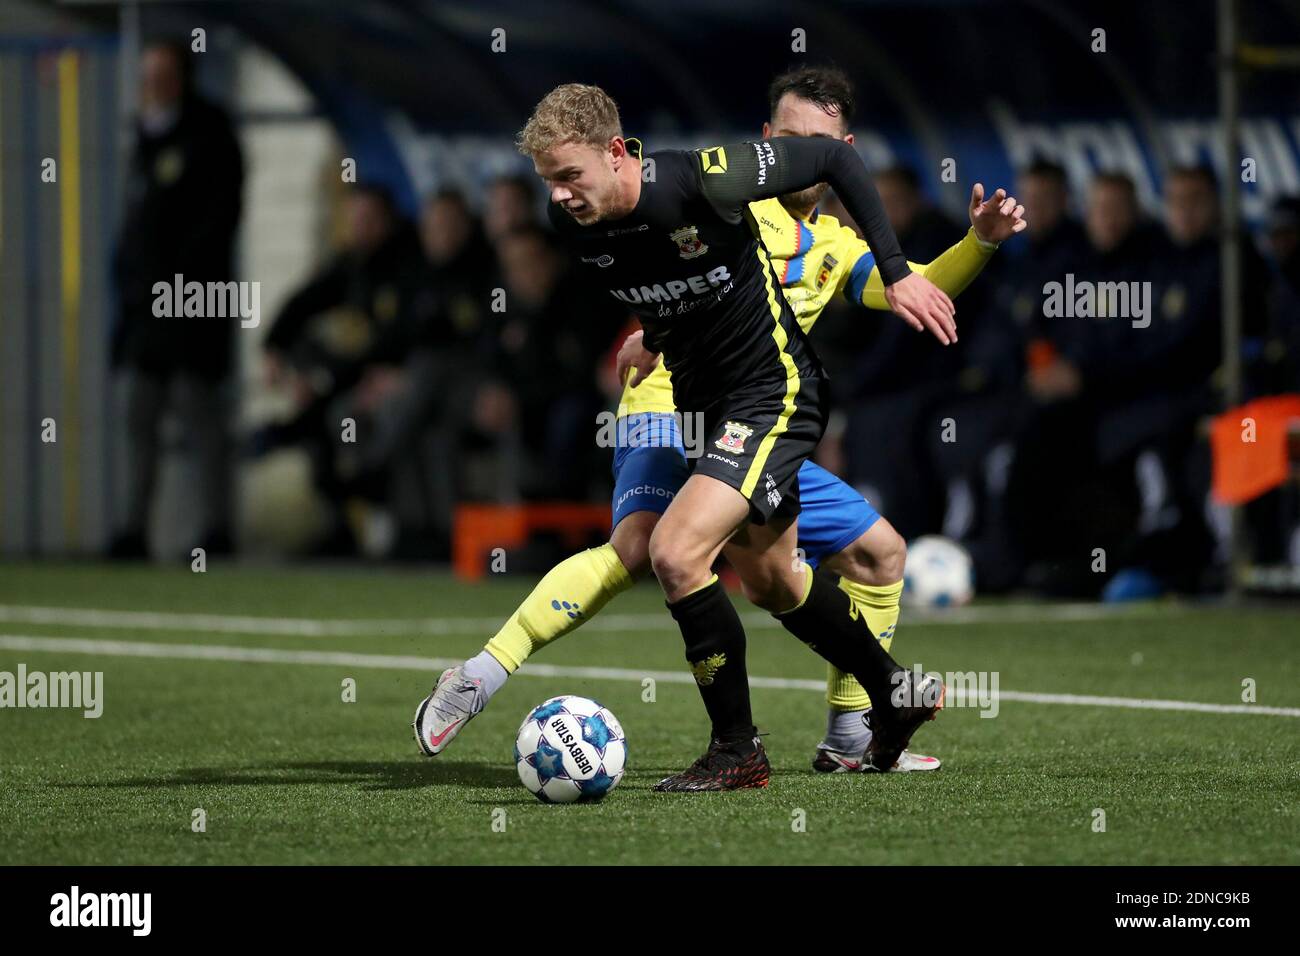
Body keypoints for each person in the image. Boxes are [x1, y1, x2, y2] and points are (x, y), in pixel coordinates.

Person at [416, 71, 1023, 787]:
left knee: (674, 551)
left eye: (568, 177)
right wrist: (656, 333)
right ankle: (893, 693)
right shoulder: (586, 220)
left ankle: (743, 748)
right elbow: (675, 277)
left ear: (615, 152)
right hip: (683, 402)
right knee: (770, 579)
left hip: (768, 400)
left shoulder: (743, 197)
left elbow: (907, 275)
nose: (557, 194)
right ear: (769, 141)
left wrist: (938, 256)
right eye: (789, 140)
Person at [109, 40, 243, 558]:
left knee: (199, 415)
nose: (154, 85)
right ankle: (133, 530)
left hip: (193, 303)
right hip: (146, 310)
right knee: (140, 416)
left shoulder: (210, 132)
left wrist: (178, 285)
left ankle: (216, 530)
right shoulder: (145, 134)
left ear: (183, 76)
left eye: (163, 74)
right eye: (149, 75)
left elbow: (217, 222)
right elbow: (133, 227)